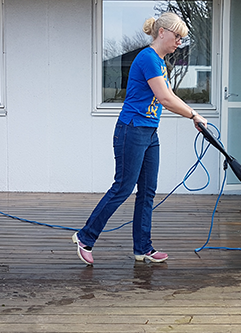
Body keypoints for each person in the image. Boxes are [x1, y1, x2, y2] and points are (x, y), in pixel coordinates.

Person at [72, 12, 207, 265]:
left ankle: (143, 247)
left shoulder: (160, 63)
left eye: (182, 38)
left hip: (149, 132)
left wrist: (194, 114)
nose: (180, 42)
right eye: (177, 36)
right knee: (123, 186)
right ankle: (85, 237)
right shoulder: (147, 58)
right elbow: (165, 99)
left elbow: (169, 96)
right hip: (131, 130)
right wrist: (193, 115)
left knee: (147, 191)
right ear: (162, 32)